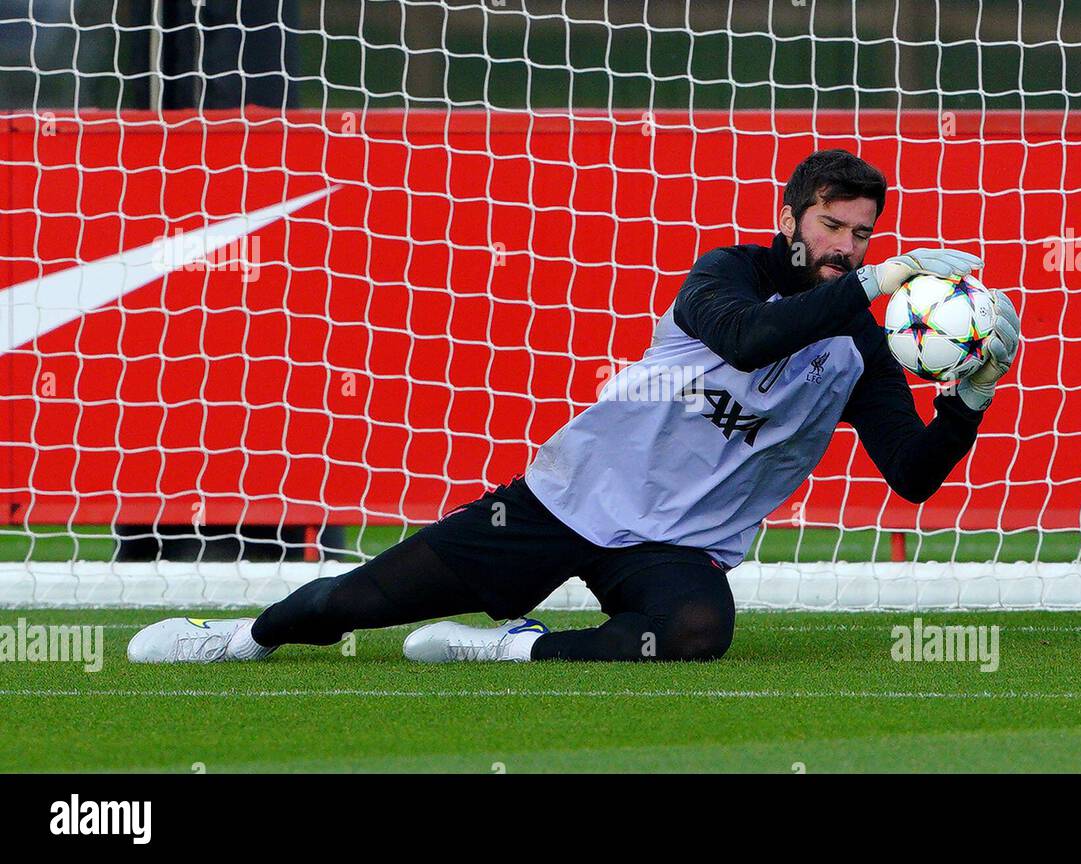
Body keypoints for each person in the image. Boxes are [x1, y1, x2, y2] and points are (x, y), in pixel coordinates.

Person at [127, 149, 1020, 665]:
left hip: (673, 547)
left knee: (695, 634)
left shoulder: (861, 344)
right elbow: (750, 341)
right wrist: (877, 279)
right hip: (565, 500)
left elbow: (911, 477)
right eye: (831, 226)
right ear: (790, 219)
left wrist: (969, 400)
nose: (846, 247)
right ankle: (240, 638)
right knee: (347, 602)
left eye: (863, 234)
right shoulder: (726, 275)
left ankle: (508, 648)